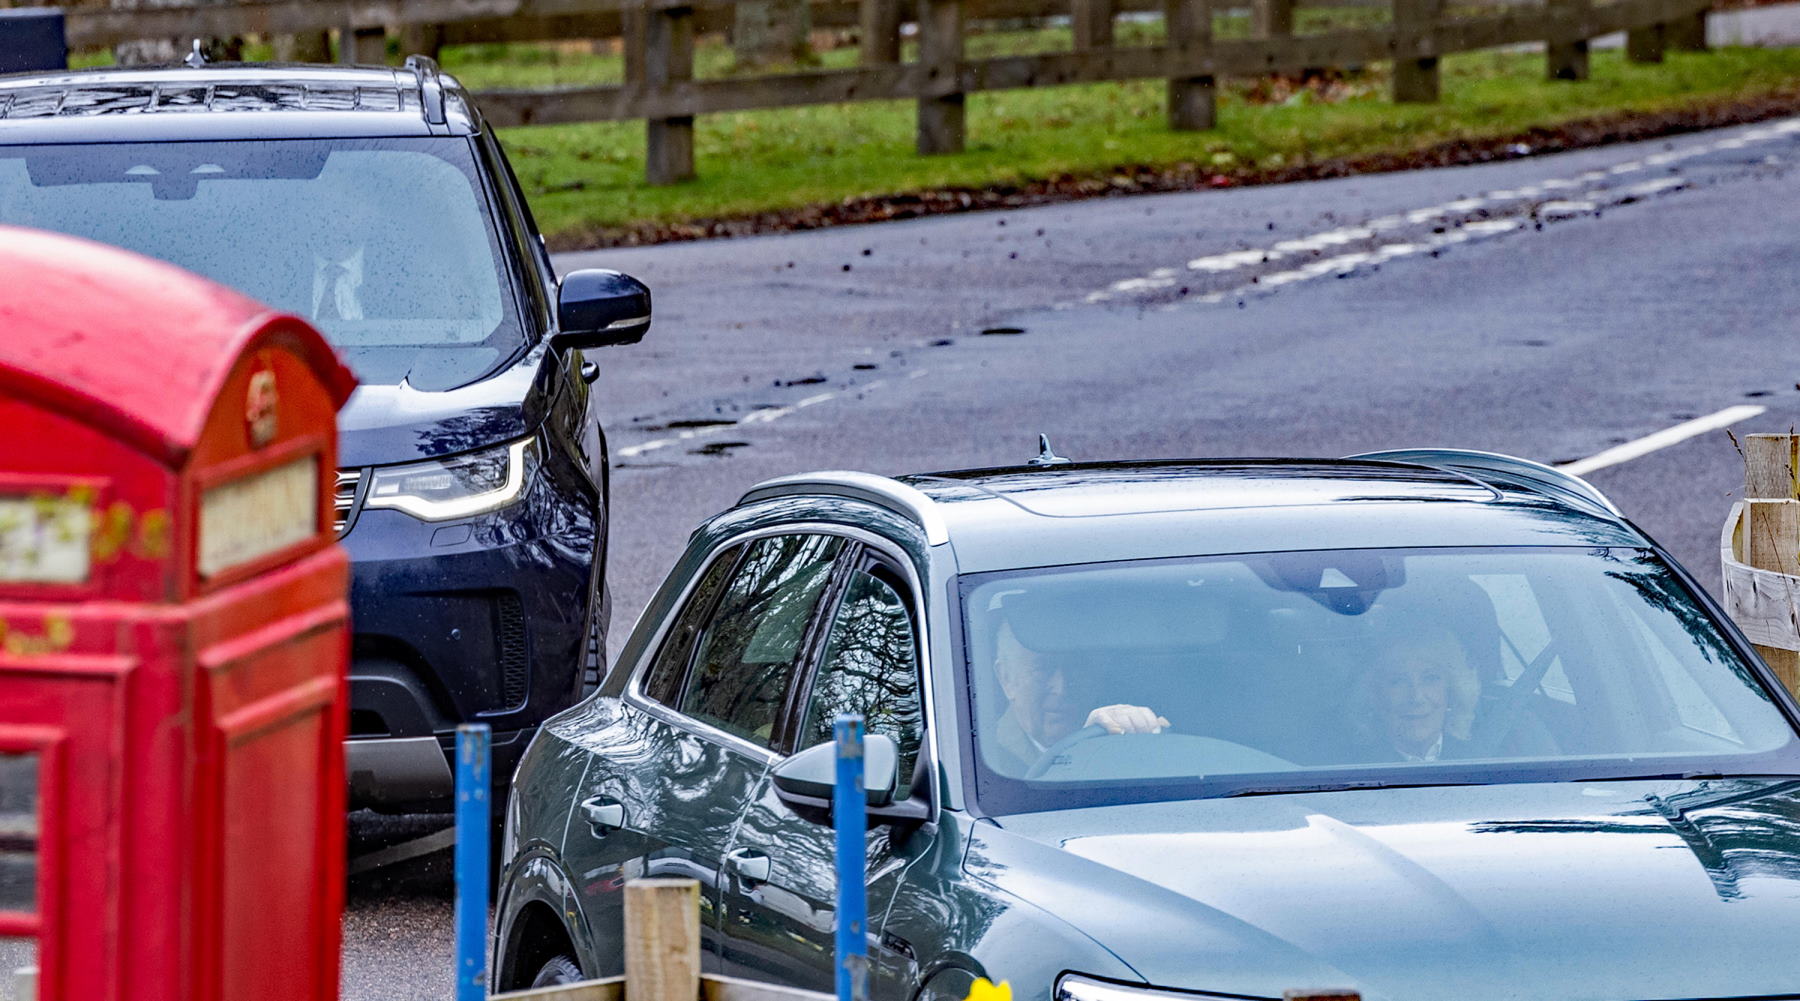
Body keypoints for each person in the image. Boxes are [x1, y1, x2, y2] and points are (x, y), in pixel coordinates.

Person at [986, 620, 1168, 775]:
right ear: (1006, 678)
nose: (1062, 688)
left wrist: (1135, 733)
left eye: (1078, 667)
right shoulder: (986, 764)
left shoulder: (1124, 739)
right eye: (1042, 669)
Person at [1344, 626, 1481, 763]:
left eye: (1430, 678)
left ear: (1452, 691)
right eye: (1398, 681)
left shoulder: (1480, 760)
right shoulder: (1352, 767)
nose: (1416, 697)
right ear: (1376, 696)